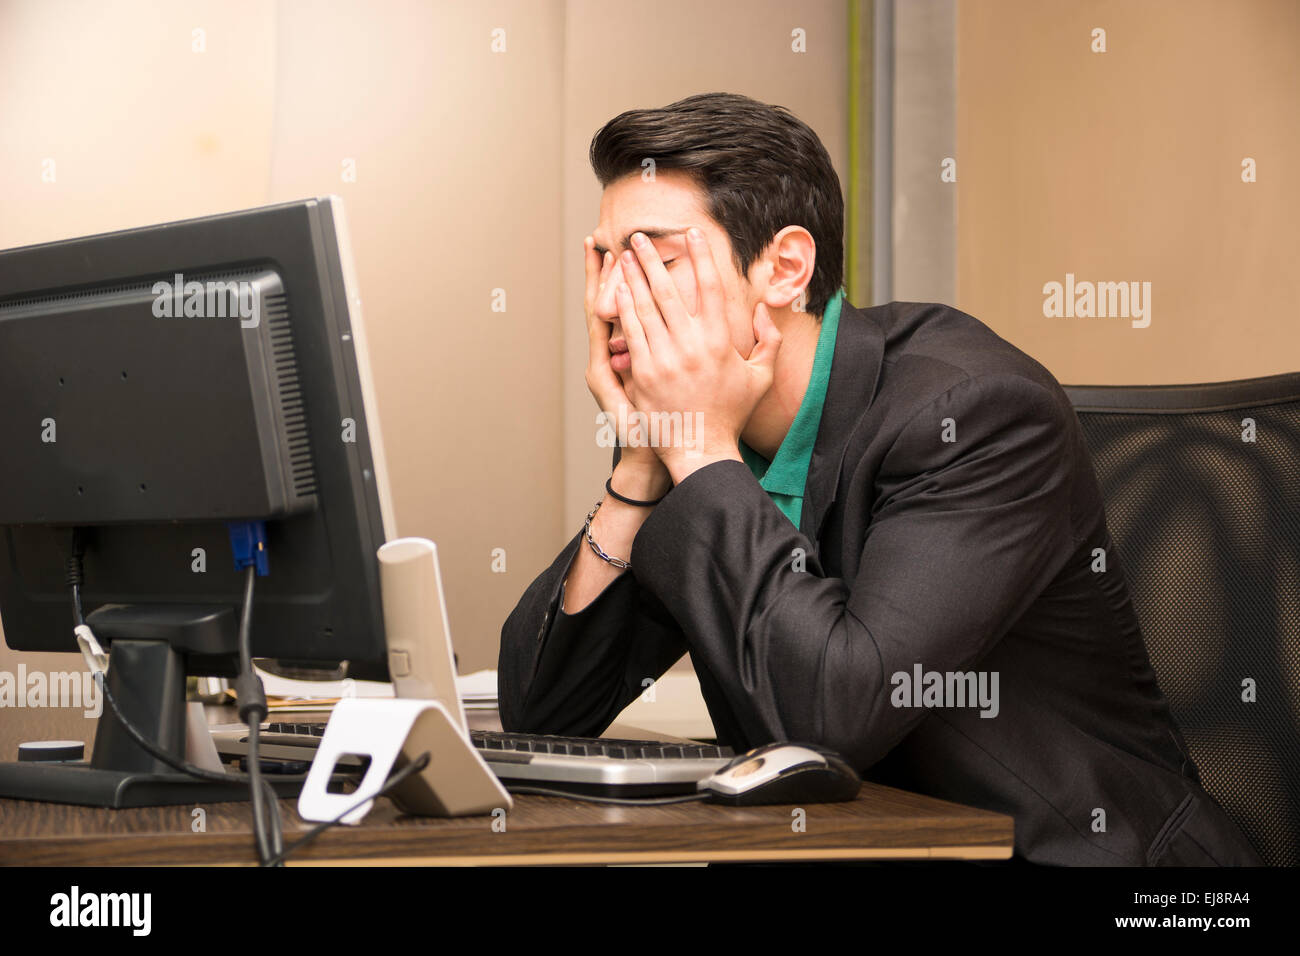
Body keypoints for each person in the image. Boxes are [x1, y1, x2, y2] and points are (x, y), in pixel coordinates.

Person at [497, 92, 1262, 866]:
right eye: (601, 264)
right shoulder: (704, 436)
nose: (605, 303)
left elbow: (835, 715)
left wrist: (697, 454)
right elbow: (545, 713)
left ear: (785, 268)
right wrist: (639, 465)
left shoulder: (974, 413)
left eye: (651, 264)